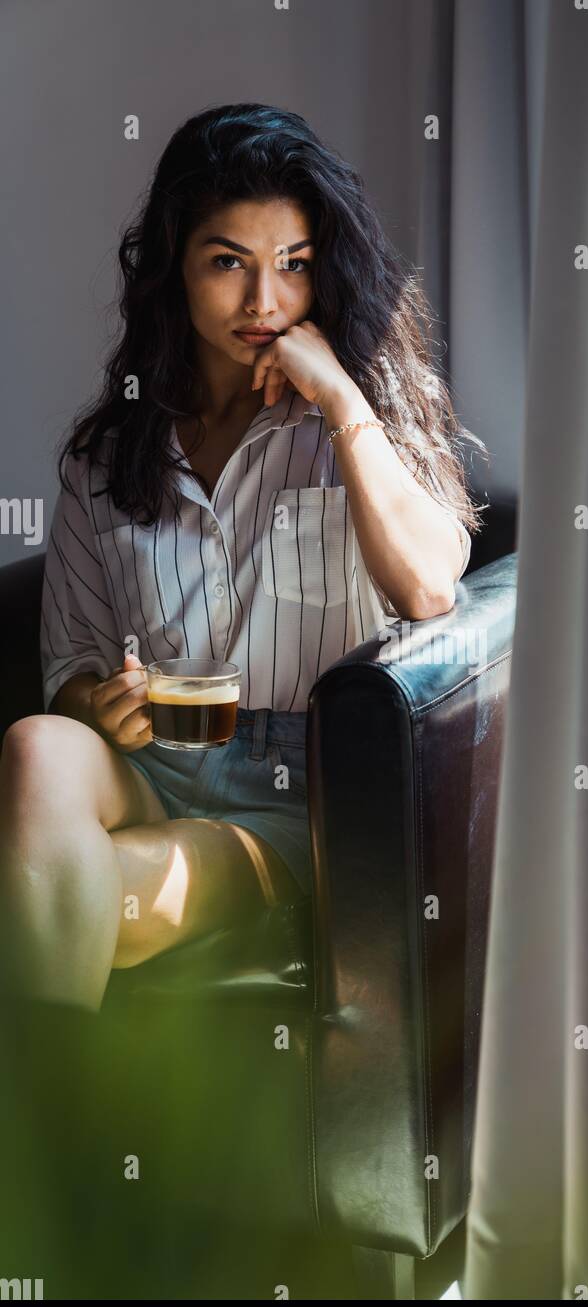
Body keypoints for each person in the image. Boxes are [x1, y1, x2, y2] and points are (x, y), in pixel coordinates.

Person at [0, 103, 488, 1012]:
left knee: (105, 890)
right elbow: (70, 667)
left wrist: (342, 397)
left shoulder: (364, 419)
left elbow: (427, 588)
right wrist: (104, 706)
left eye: (293, 266)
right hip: (156, 764)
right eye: (229, 263)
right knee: (36, 748)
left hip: (302, 790)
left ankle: (45, 1135)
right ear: (175, 274)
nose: (264, 304)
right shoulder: (107, 458)